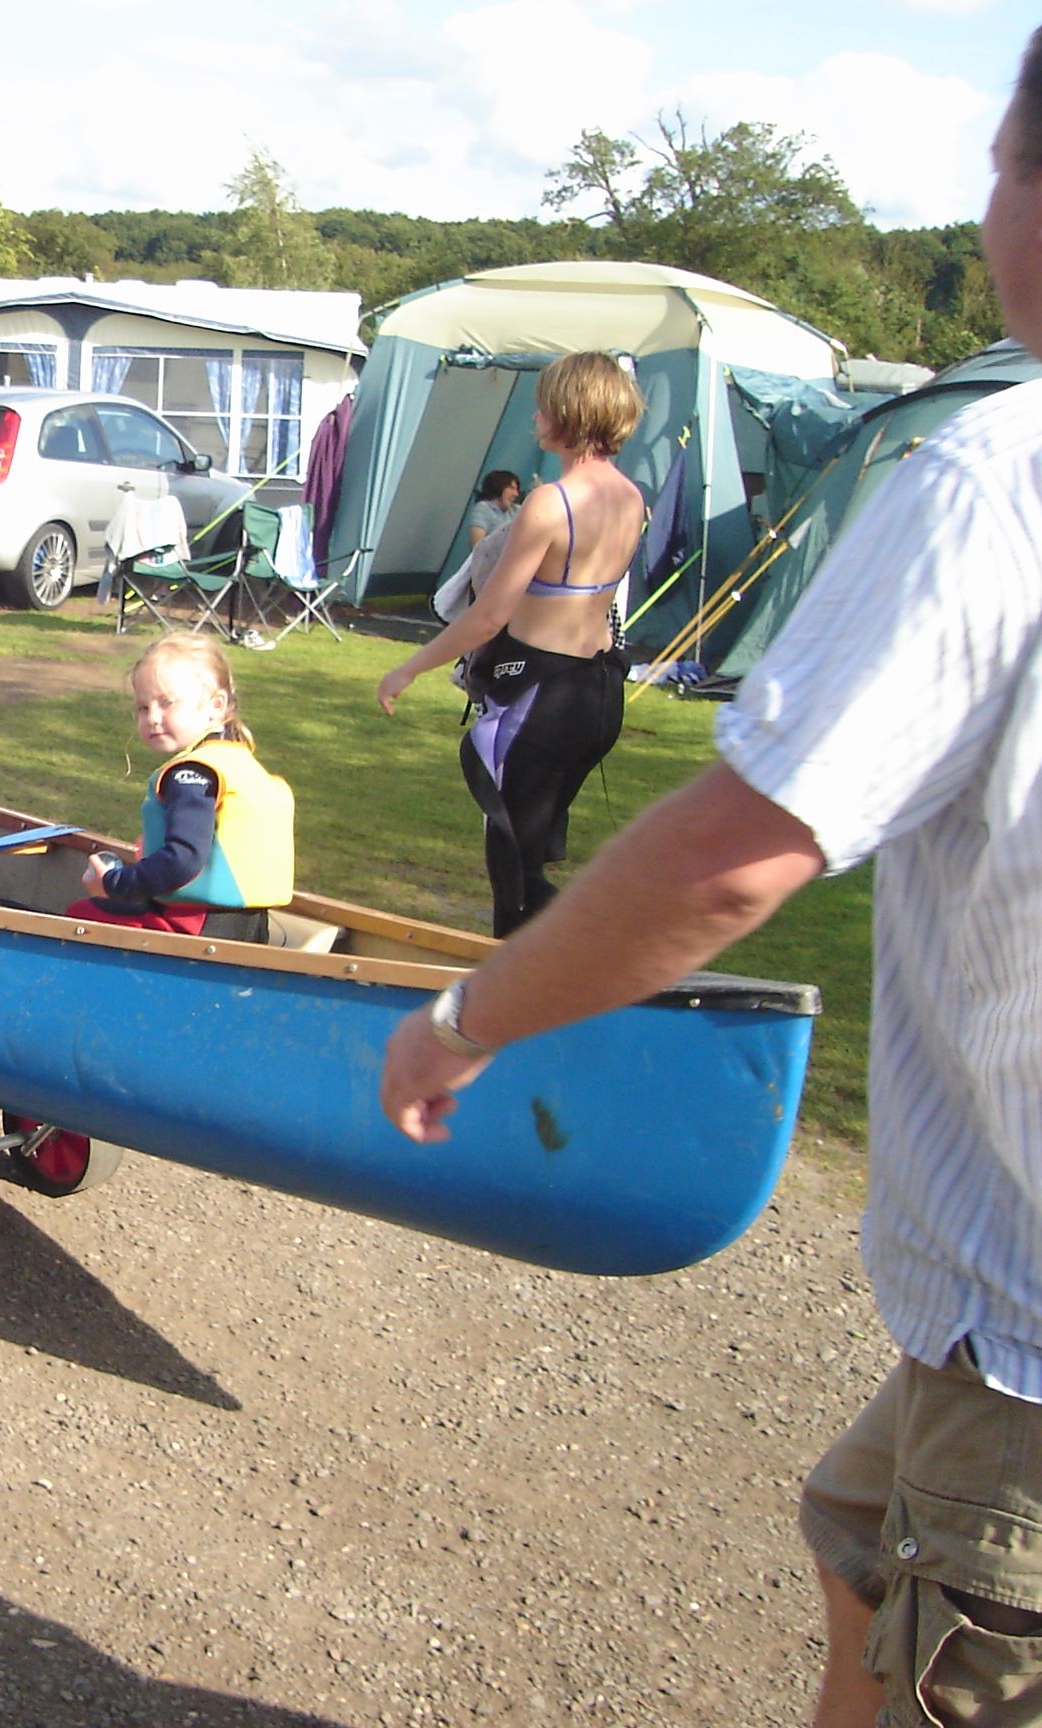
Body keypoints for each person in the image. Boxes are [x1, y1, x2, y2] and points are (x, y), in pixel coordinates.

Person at [379, 40, 1042, 1727]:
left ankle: (531, 1002)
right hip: (603, 681)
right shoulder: (635, 494)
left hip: (529, 683)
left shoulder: (990, 480)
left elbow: (728, 852)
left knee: (515, 860)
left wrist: (463, 1014)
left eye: (995, 168)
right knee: (851, 1541)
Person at [375, 353, 643, 935]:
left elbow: (489, 616)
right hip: (598, 693)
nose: (534, 417)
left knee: (515, 873)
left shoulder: (551, 503)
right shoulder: (630, 497)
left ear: (569, 413)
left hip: (540, 697)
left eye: (543, 406)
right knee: (528, 851)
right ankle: (566, 961)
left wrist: (408, 668)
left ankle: (591, 959)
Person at [75, 635, 294, 939]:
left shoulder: (191, 774)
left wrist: (116, 883)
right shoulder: (242, 764)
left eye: (167, 703)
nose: (153, 718)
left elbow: (183, 859)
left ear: (216, 706)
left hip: (194, 927)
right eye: (143, 708)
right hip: (251, 928)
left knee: (81, 914)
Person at [464, 469, 521, 549]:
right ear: (499, 487)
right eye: (512, 488)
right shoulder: (484, 508)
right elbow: (476, 546)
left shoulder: (515, 510)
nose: (516, 494)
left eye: (516, 490)